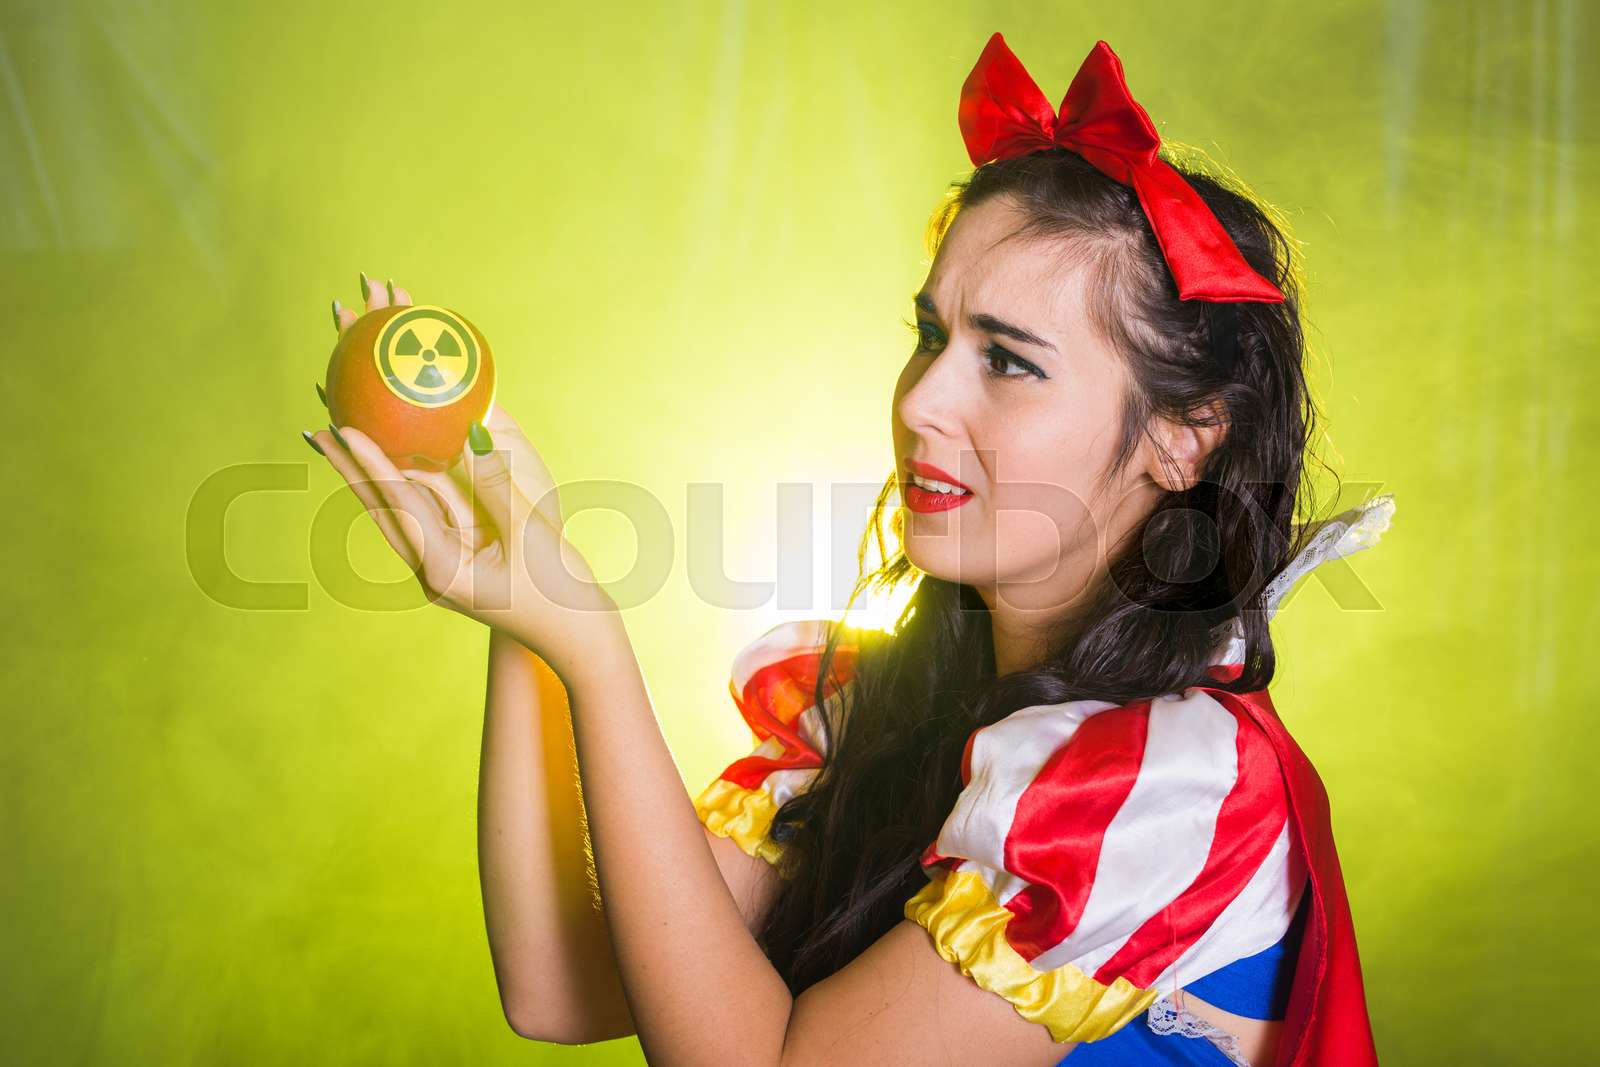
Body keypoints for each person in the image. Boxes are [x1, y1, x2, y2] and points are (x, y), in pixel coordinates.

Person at [306, 33, 1386, 1067]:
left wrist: (593, 646)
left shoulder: (1174, 783)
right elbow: (564, 982)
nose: (923, 401)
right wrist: (526, 609)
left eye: (1007, 361)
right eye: (930, 336)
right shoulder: (892, 699)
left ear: (1181, 436)